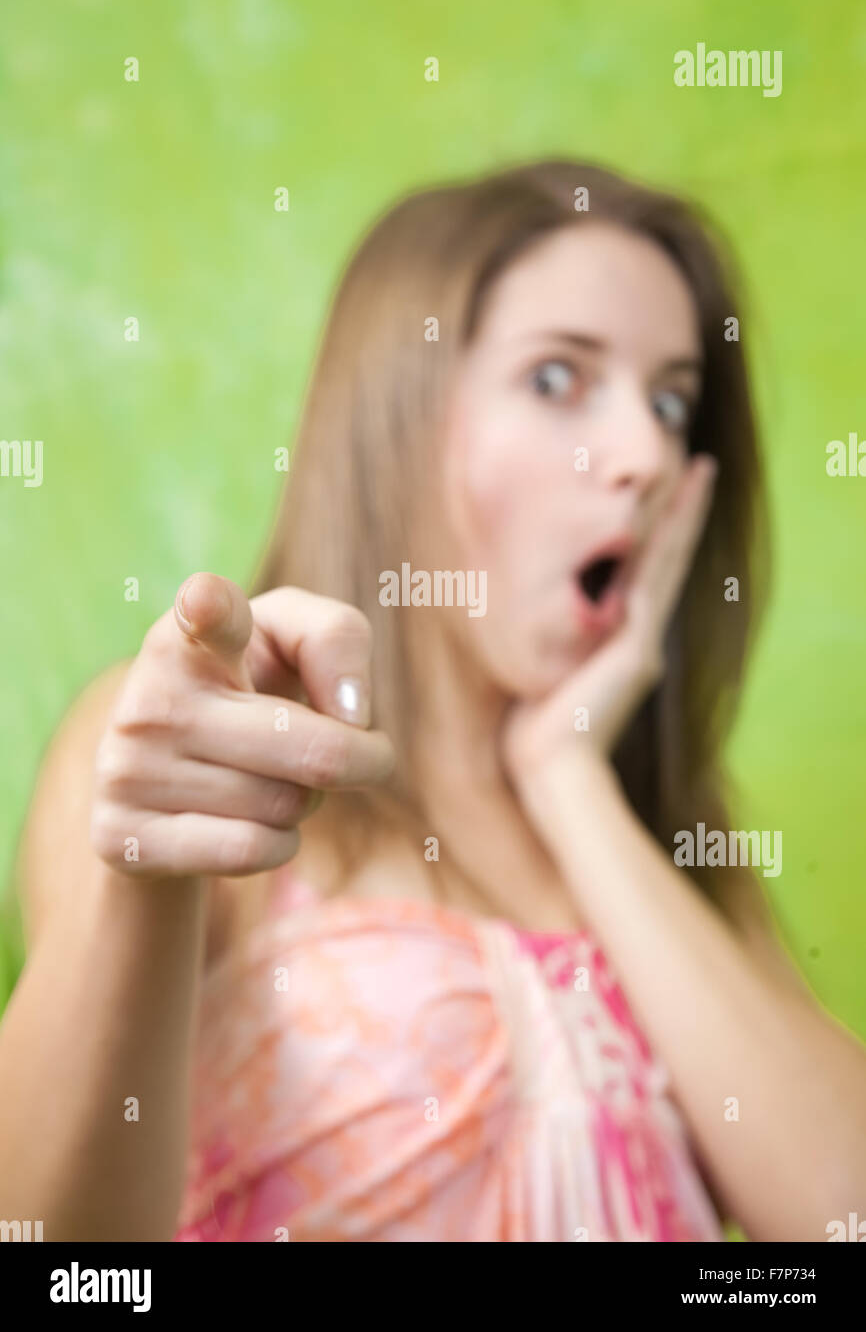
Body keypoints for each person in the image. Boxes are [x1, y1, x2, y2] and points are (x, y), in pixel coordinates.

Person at [2, 159, 864, 1242]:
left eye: (671, 400)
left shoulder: (674, 834)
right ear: (394, 418)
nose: (646, 455)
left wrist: (566, 780)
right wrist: (145, 884)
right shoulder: (186, 746)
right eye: (557, 378)